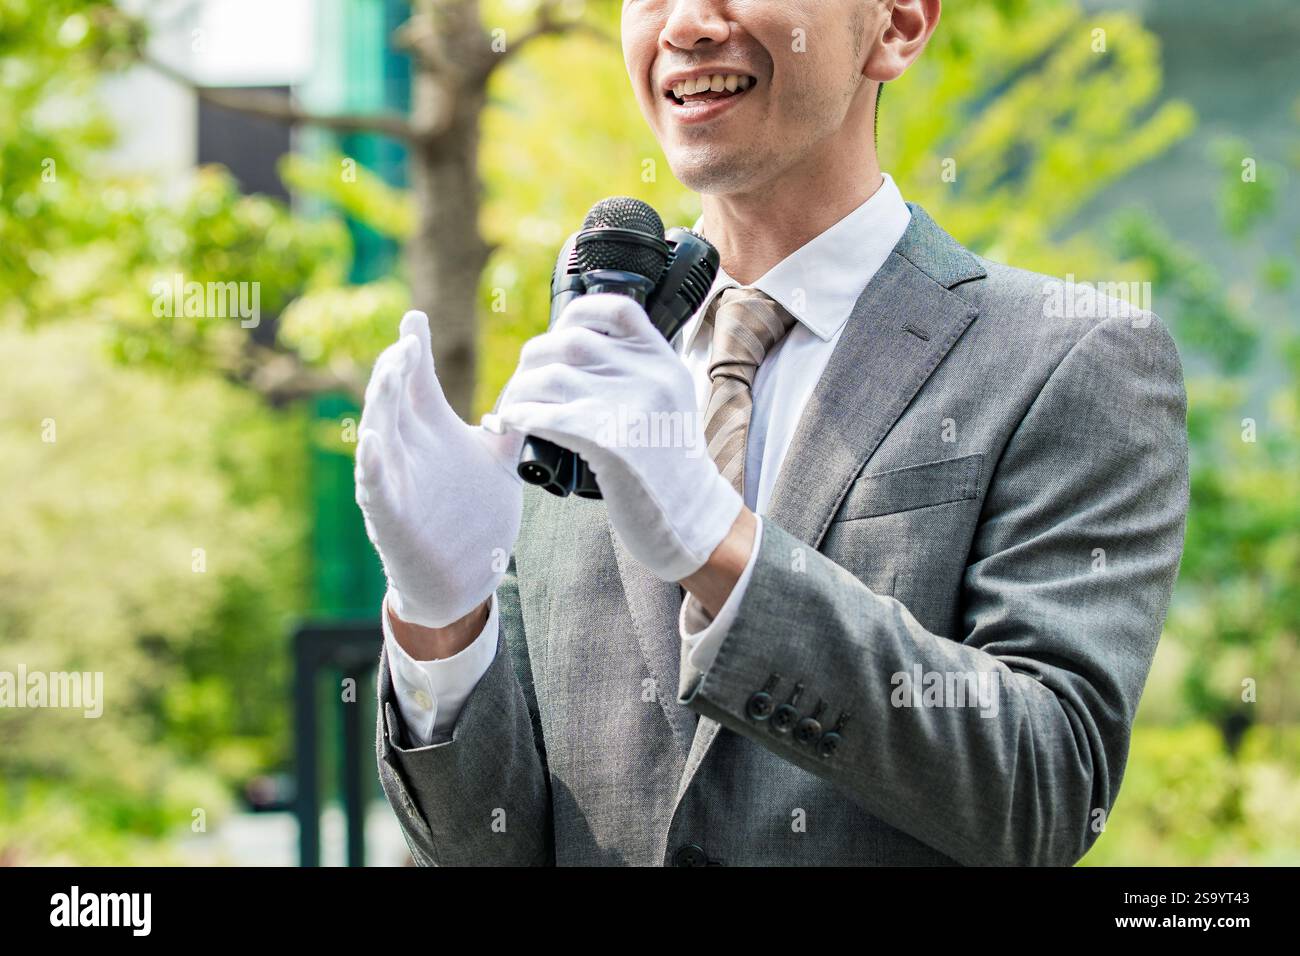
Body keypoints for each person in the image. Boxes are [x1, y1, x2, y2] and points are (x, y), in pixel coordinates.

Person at [354, 0, 1189, 866]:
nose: (685, 24)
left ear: (898, 24)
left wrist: (722, 549)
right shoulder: (584, 374)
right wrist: (443, 625)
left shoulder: (1068, 357)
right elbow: (496, 848)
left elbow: (1048, 792)